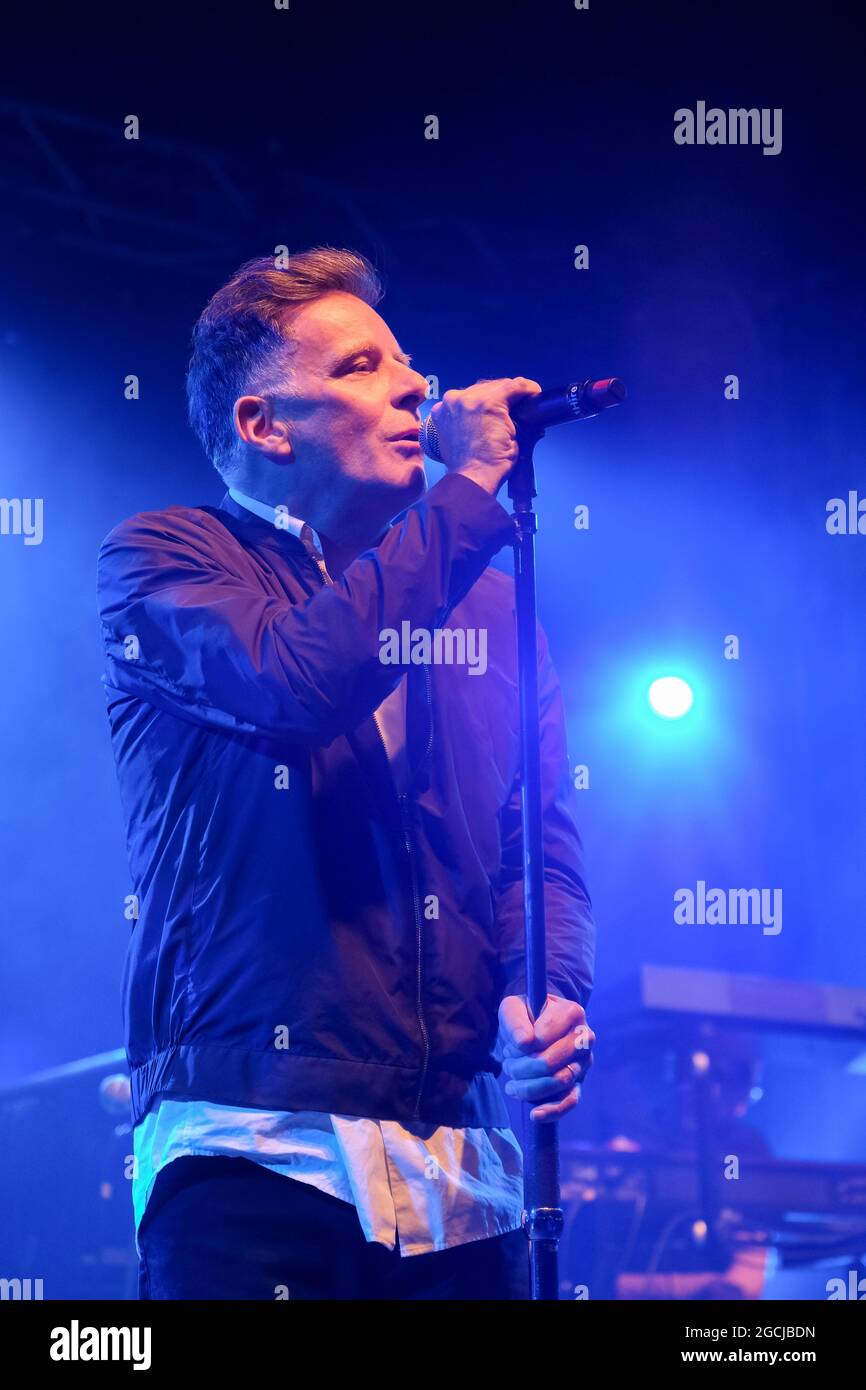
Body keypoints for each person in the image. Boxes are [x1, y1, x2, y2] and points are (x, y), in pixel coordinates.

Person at [97, 247, 596, 1300]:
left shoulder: (496, 614)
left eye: (407, 360)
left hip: (463, 1175)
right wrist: (464, 492)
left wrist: (542, 994)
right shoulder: (165, 560)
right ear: (263, 425)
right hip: (256, 1148)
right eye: (363, 365)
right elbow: (298, 679)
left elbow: (534, 848)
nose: (415, 384)